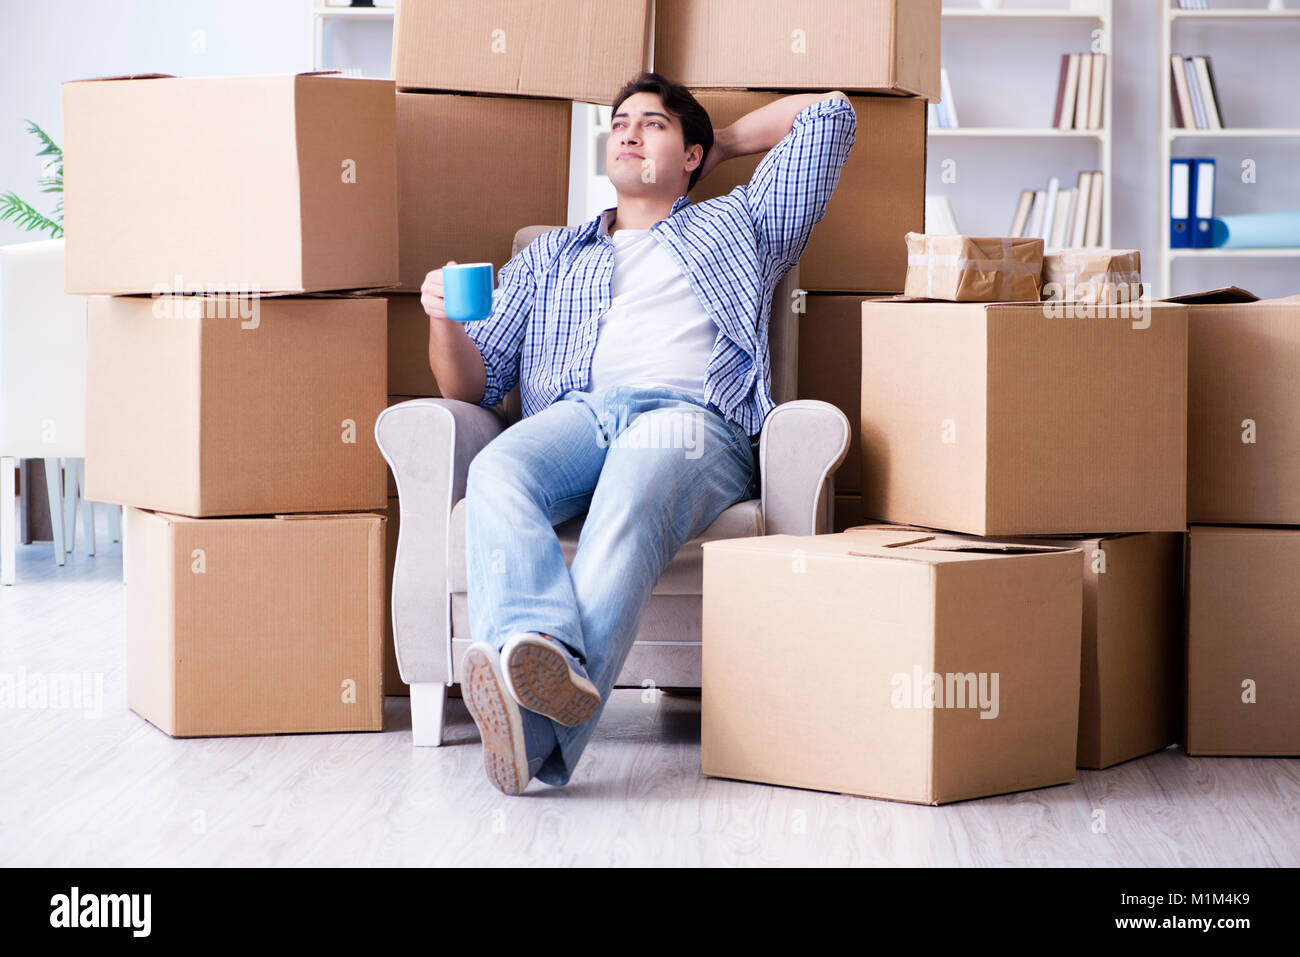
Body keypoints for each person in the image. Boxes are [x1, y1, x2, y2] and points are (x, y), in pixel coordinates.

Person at [419, 71, 856, 794]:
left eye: (652, 123)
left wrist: (723, 144)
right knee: (497, 470)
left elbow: (832, 116)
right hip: (579, 415)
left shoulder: (742, 222)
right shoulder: (550, 255)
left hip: (690, 423)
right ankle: (546, 653)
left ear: (689, 154)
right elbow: (470, 386)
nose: (627, 129)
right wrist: (441, 319)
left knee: (631, 479)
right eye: (619, 120)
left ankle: (534, 734)